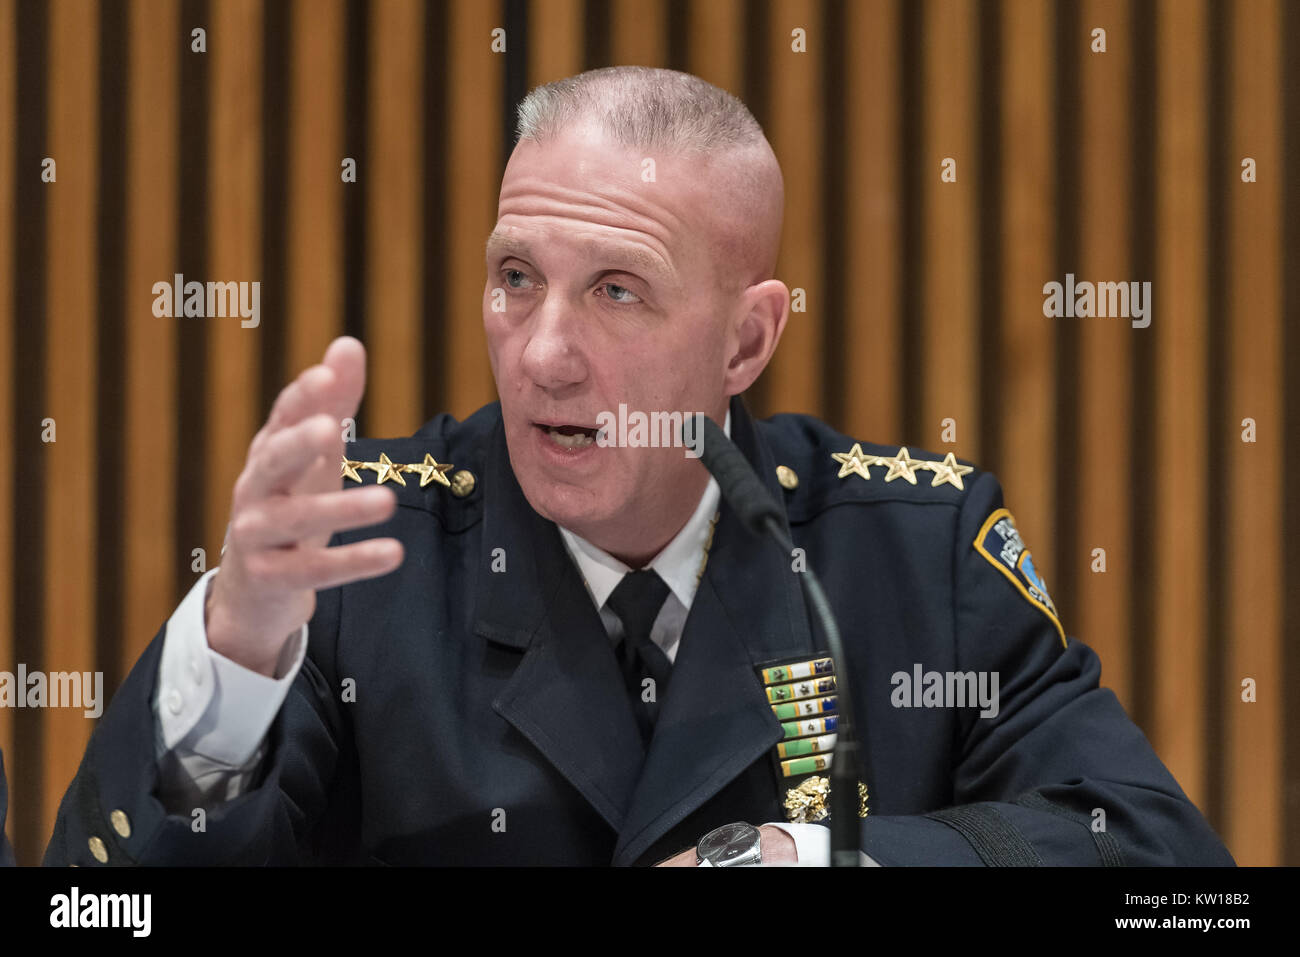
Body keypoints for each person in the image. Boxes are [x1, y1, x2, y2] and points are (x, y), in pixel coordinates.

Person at [45, 67, 1231, 867]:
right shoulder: (361, 552)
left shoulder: (913, 556)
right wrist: (236, 660)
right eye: (516, 278)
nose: (544, 353)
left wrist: (831, 861)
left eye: (616, 292)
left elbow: (1166, 870)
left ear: (746, 340)